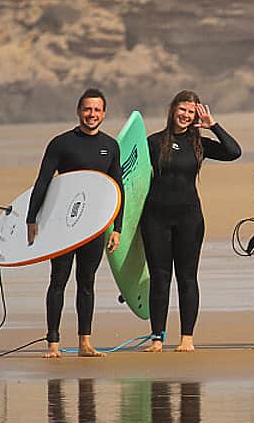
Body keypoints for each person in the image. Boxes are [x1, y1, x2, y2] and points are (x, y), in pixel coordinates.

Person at [141, 90, 241, 352]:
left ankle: (187, 338)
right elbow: (131, 177)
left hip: (189, 219)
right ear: (173, 109)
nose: (185, 115)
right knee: (160, 278)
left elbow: (234, 152)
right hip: (155, 218)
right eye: (182, 109)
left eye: (191, 111)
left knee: (187, 278)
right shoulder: (153, 142)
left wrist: (213, 125)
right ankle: (157, 338)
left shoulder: (200, 144)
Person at [26, 88, 123, 358]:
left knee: (86, 282)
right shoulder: (61, 143)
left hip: (94, 227)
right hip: (63, 227)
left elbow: (118, 189)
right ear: (79, 111)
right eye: (87, 109)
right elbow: (43, 181)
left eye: (97, 110)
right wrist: (31, 219)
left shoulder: (111, 146)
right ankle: (53, 344)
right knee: (58, 280)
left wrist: (117, 227)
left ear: (104, 113)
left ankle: (85, 343)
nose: (91, 114)